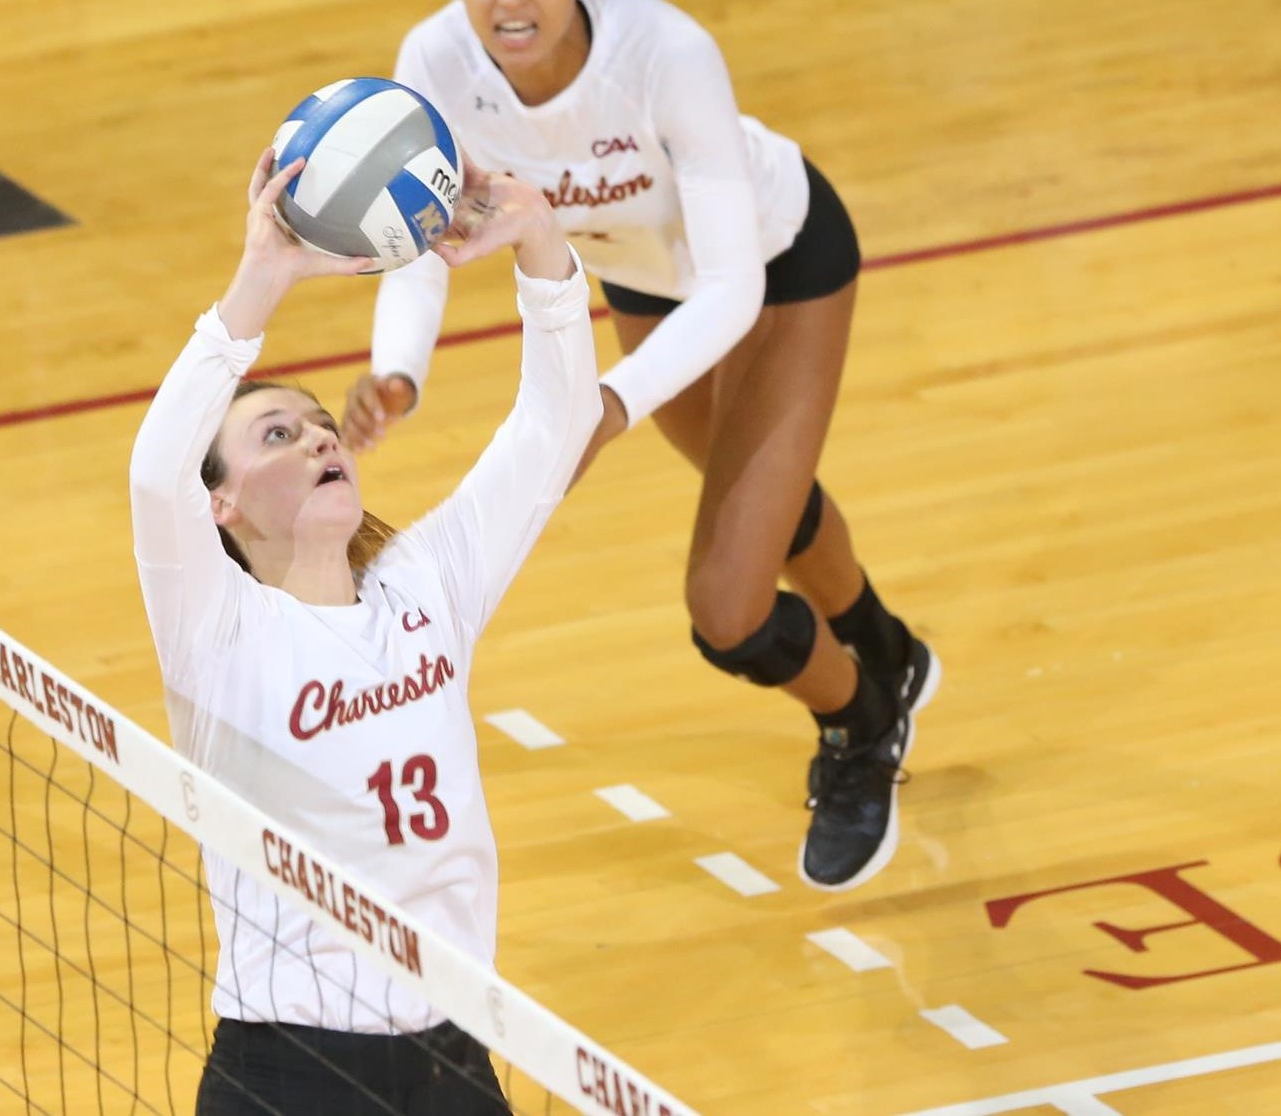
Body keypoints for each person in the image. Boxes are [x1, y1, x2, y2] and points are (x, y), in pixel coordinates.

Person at [343, 0, 940, 892]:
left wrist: (609, 407)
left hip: (777, 268)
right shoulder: (434, 59)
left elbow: (732, 287)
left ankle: (862, 720)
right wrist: (397, 373)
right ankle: (880, 643)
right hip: (646, 285)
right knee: (758, 495)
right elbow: (426, 242)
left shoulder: (665, 50)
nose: (509, 6)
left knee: (727, 605)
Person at [129, 146, 597, 1114]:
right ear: (220, 507)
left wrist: (542, 244)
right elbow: (151, 474)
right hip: (293, 1077)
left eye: (314, 425)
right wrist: (263, 274)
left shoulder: (424, 586)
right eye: (275, 436)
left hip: (453, 1063)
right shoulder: (217, 630)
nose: (317, 437)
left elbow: (558, 424)